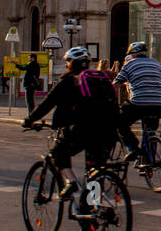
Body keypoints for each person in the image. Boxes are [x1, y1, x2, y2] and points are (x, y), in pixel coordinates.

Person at [23, 46, 120, 206]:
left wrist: (29, 119)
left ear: (70, 63)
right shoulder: (100, 79)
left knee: (57, 152)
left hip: (81, 129)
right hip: (107, 131)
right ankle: (93, 208)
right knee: (95, 168)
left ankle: (70, 182)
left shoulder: (67, 81)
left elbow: (46, 104)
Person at [114, 41, 161, 163]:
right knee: (149, 130)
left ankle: (132, 148)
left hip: (139, 103)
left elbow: (116, 83)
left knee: (120, 123)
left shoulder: (129, 64)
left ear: (132, 54)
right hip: (158, 103)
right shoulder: (156, 63)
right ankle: (148, 159)